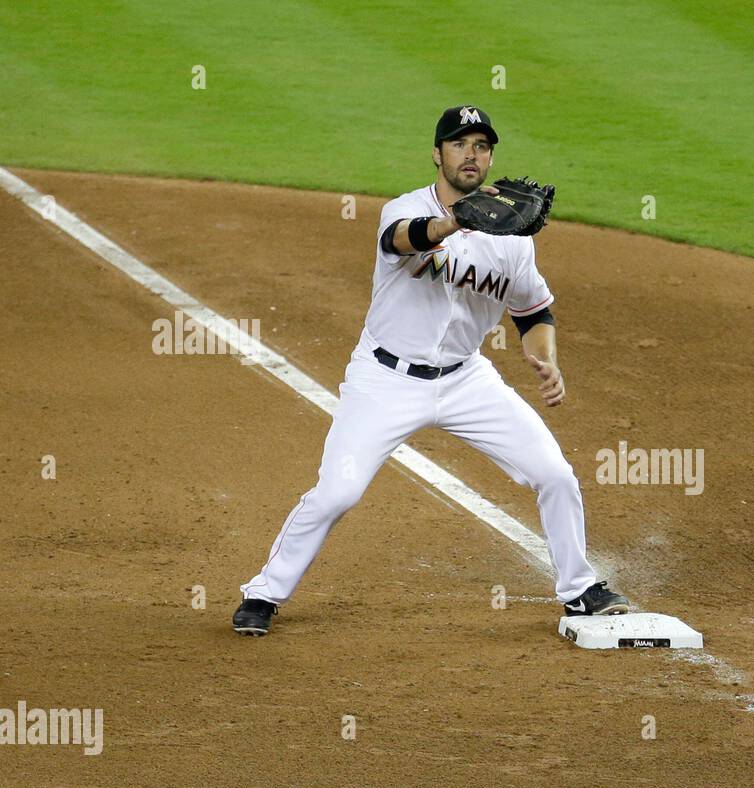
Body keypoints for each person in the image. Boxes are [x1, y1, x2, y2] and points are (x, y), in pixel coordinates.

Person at [233, 104, 629, 636]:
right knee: (337, 494)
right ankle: (264, 593)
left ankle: (580, 590)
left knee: (554, 474)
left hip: (467, 380)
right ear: (438, 153)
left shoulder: (513, 238)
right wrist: (455, 221)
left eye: (483, 145)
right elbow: (402, 239)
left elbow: (534, 310)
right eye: (461, 143)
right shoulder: (406, 208)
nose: (473, 153)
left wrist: (547, 358)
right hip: (384, 379)